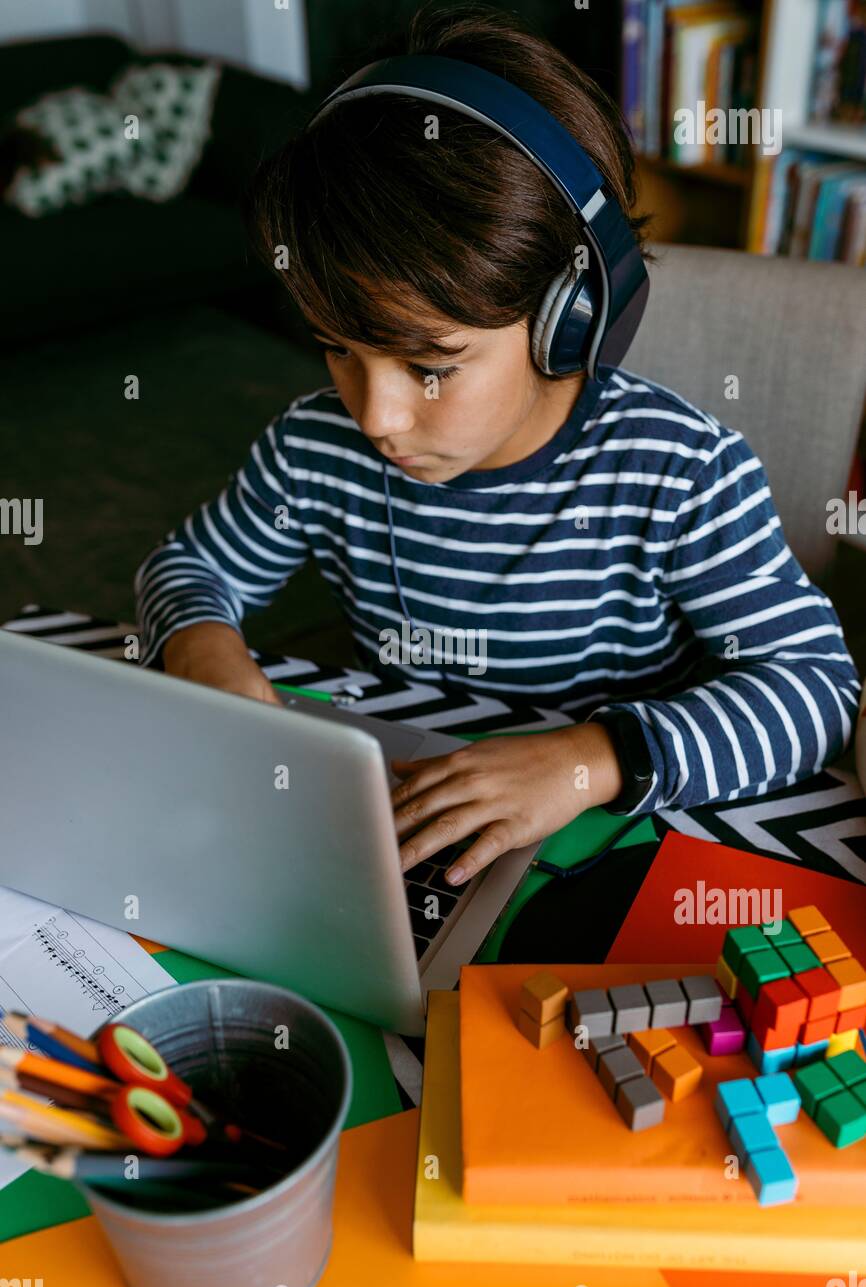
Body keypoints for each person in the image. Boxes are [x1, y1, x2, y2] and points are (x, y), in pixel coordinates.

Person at [134, 3, 861, 891]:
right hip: (404, 808)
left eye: (428, 364)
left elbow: (815, 691)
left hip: (608, 833)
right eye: (338, 350)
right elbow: (187, 569)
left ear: (568, 319)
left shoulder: (681, 473)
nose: (375, 416)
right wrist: (205, 648)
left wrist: (588, 760)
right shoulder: (311, 450)